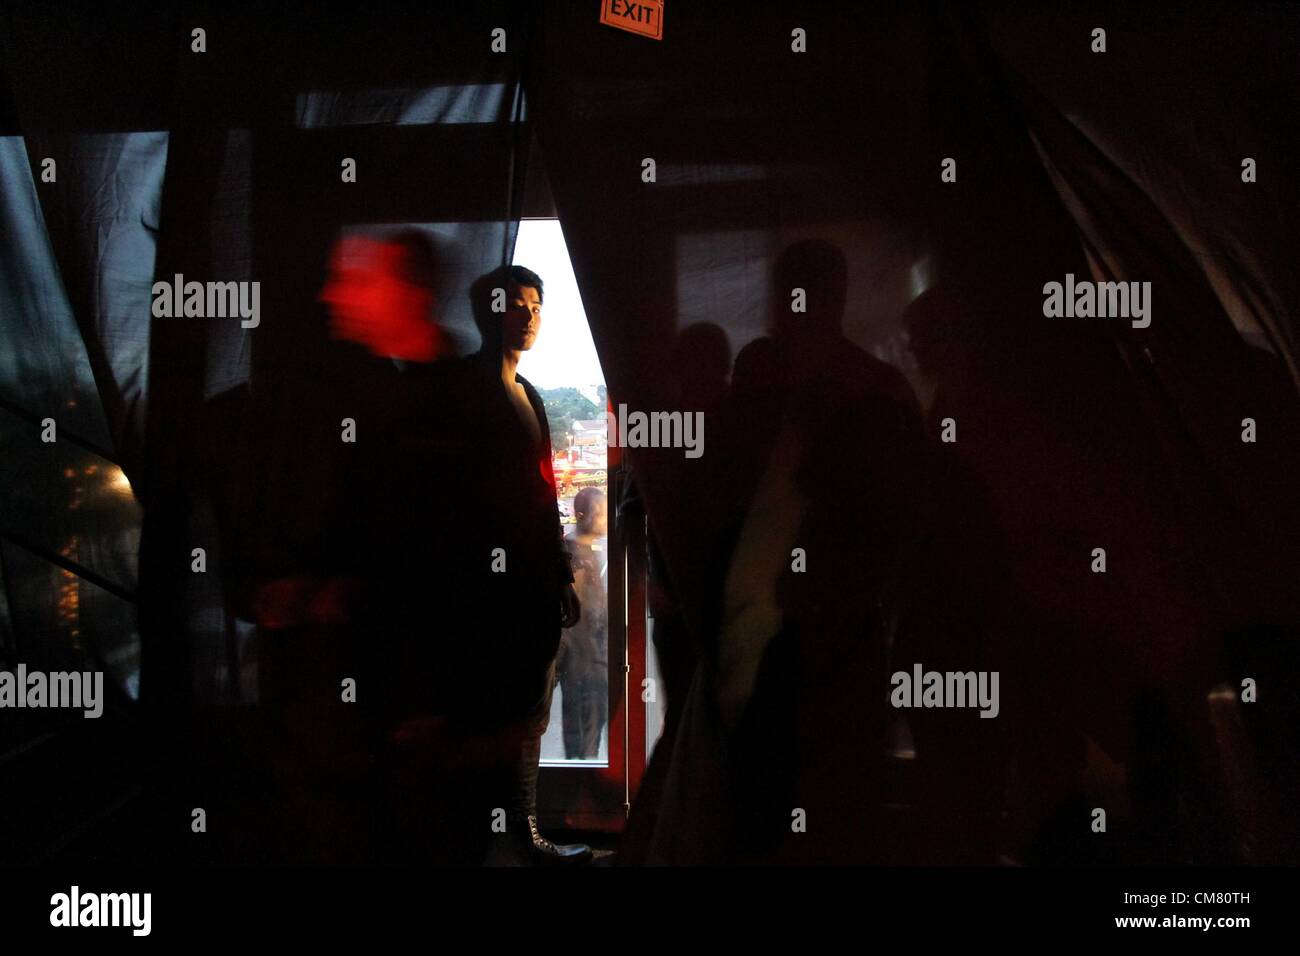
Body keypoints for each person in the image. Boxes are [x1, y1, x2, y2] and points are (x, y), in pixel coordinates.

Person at [558, 488, 609, 759]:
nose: (604, 520)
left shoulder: (591, 549)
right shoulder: (573, 553)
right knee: (583, 727)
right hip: (581, 660)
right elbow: (577, 615)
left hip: (593, 657)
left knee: (593, 722)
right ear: (580, 515)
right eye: (598, 513)